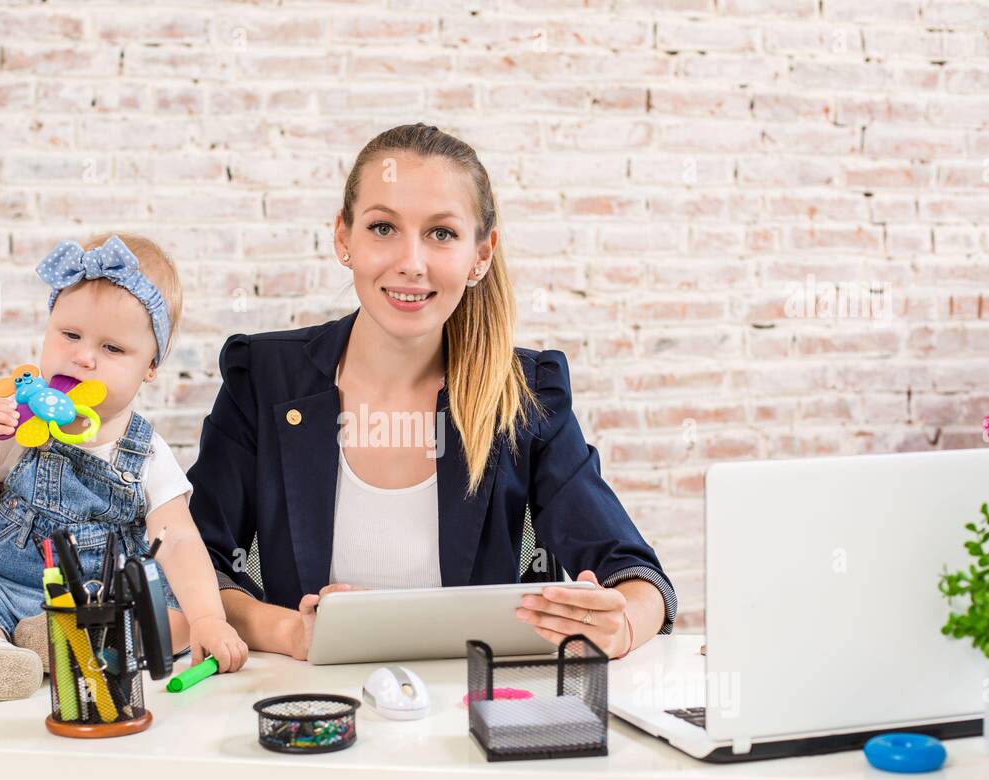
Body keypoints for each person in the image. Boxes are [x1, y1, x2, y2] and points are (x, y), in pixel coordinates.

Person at [186, 123, 676, 662]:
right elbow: (196, 564)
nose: (411, 262)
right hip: (312, 709)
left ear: (481, 254)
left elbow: (637, 574)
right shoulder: (262, 378)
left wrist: (622, 624)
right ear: (343, 238)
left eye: (441, 233)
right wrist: (293, 634)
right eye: (382, 228)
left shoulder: (527, 394)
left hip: (467, 712)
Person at [0, 233, 247, 701]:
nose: (83, 357)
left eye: (112, 349)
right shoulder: (12, 419)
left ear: (150, 366)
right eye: (70, 335)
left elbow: (181, 540)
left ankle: (61, 644)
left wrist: (210, 616)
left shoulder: (145, 452)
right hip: (3, 585)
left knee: (178, 616)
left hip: (102, 602)